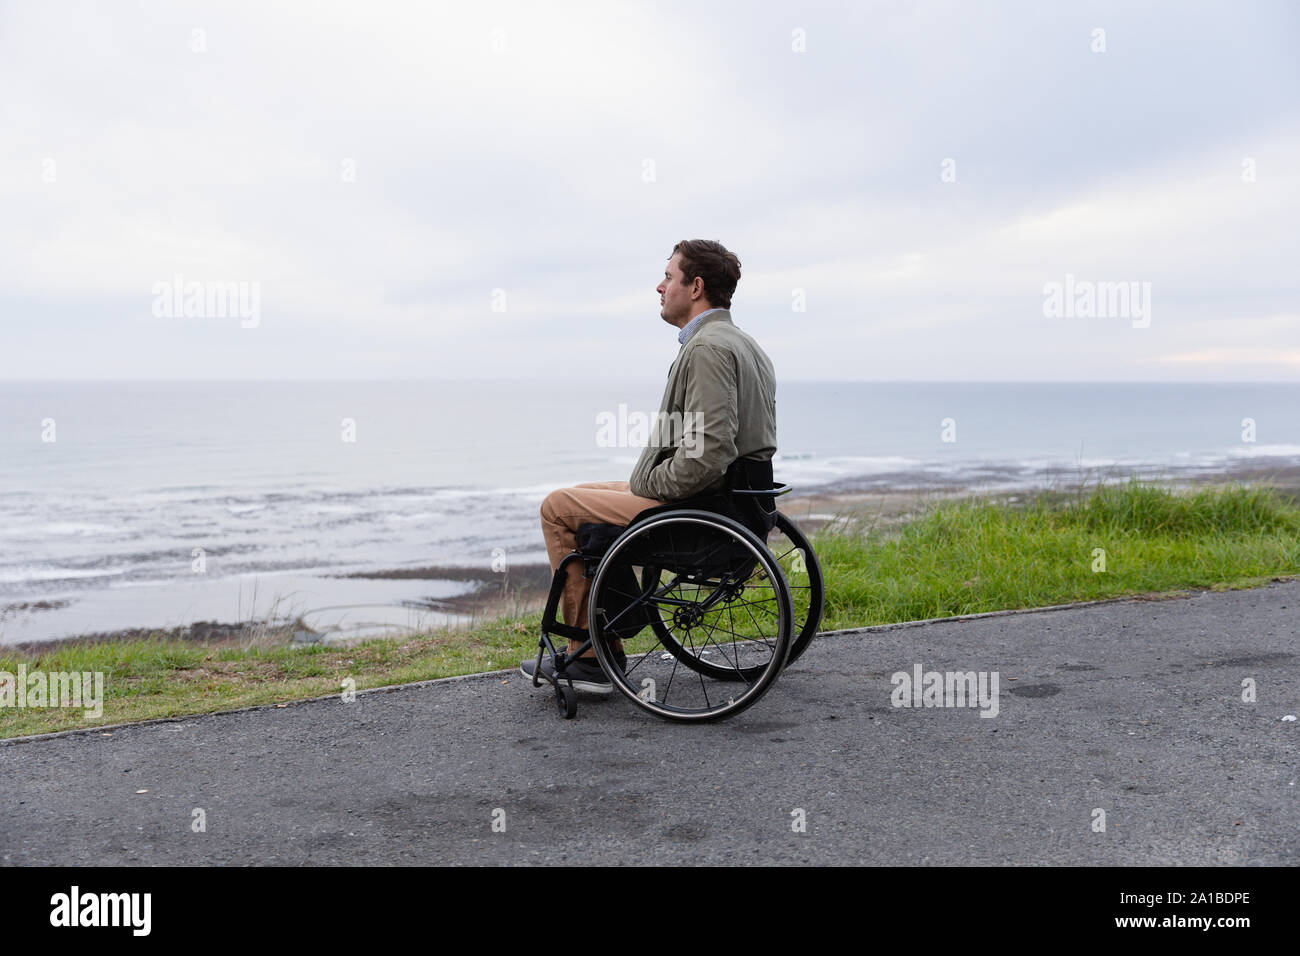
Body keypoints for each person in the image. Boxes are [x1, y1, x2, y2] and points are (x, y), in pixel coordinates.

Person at [520, 239, 778, 693]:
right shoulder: (744, 344)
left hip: (705, 506)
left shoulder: (706, 350)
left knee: (557, 507)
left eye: (668, 277)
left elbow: (707, 453)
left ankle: (592, 654)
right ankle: (616, 616)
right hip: (738, 499)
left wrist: (651, 482)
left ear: (695, 287)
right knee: (587, 492)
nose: (659, 287)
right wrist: (646, 481)